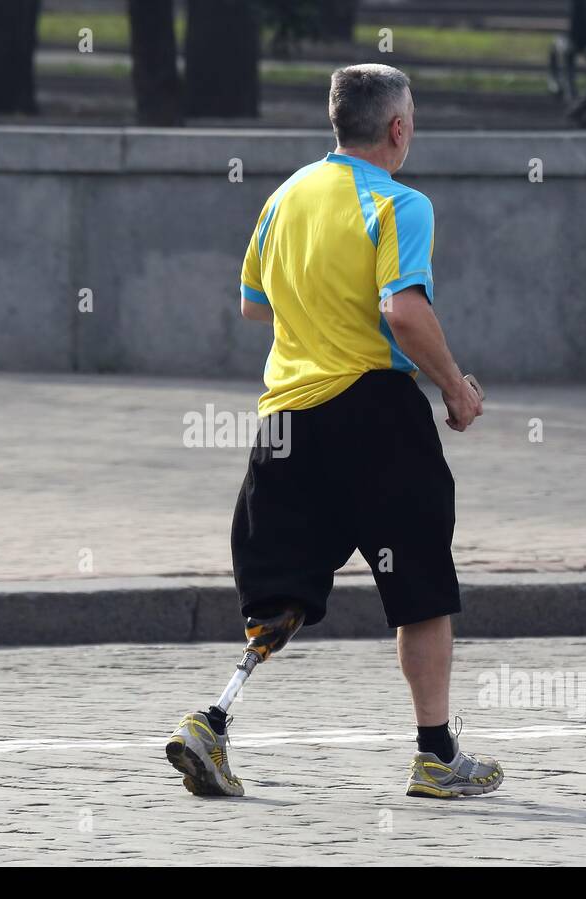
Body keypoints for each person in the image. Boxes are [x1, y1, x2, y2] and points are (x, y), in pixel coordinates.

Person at [166, 64, 502, 800]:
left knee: (281, 589)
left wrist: (316, 301)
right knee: (420, 586)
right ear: (398, 129)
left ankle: (213, 723)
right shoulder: (400, 204)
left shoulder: (285, 197)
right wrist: (454, 386)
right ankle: (437, 756)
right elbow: (403, 312)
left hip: (287, 419)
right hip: (373, 414)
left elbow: (255, 304)